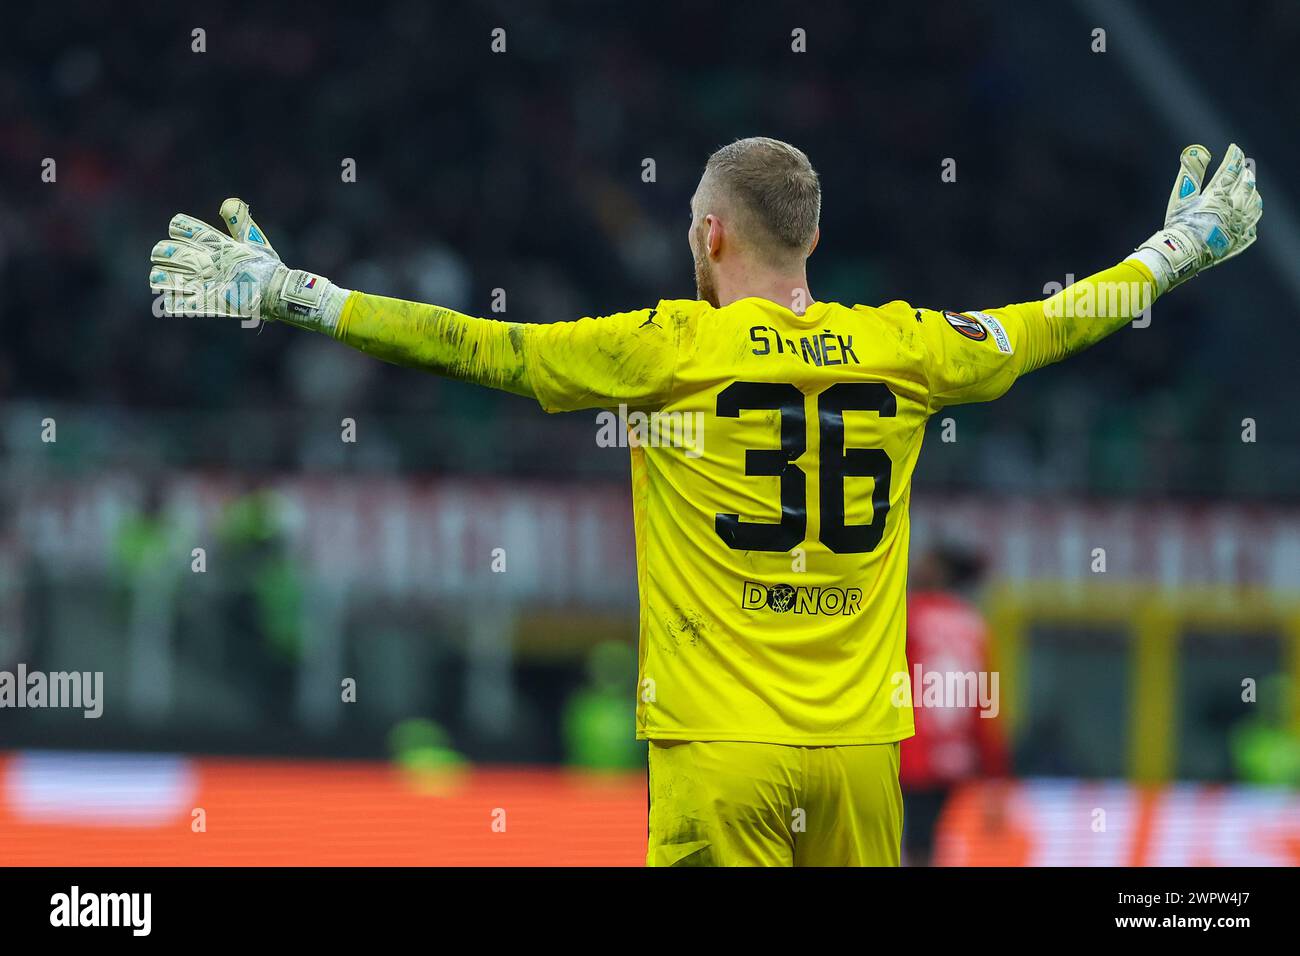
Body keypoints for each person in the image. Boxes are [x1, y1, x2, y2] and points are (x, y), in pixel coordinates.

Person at [148, 138, 1261, 865]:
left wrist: (297, 294)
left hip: (721, 753)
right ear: (812, 239)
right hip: (861, 760)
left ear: (710, 234)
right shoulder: (911, 346)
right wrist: (1178, 249)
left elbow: (476, 345)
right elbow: (1058, 319)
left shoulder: (668, 347)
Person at [900, 544, 1007, 866]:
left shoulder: (909, 616)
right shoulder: (974, 625)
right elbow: (986, 704)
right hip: (955, 763)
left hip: (907, 754)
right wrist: (995, 774)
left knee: (905, 846)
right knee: (931, 847)